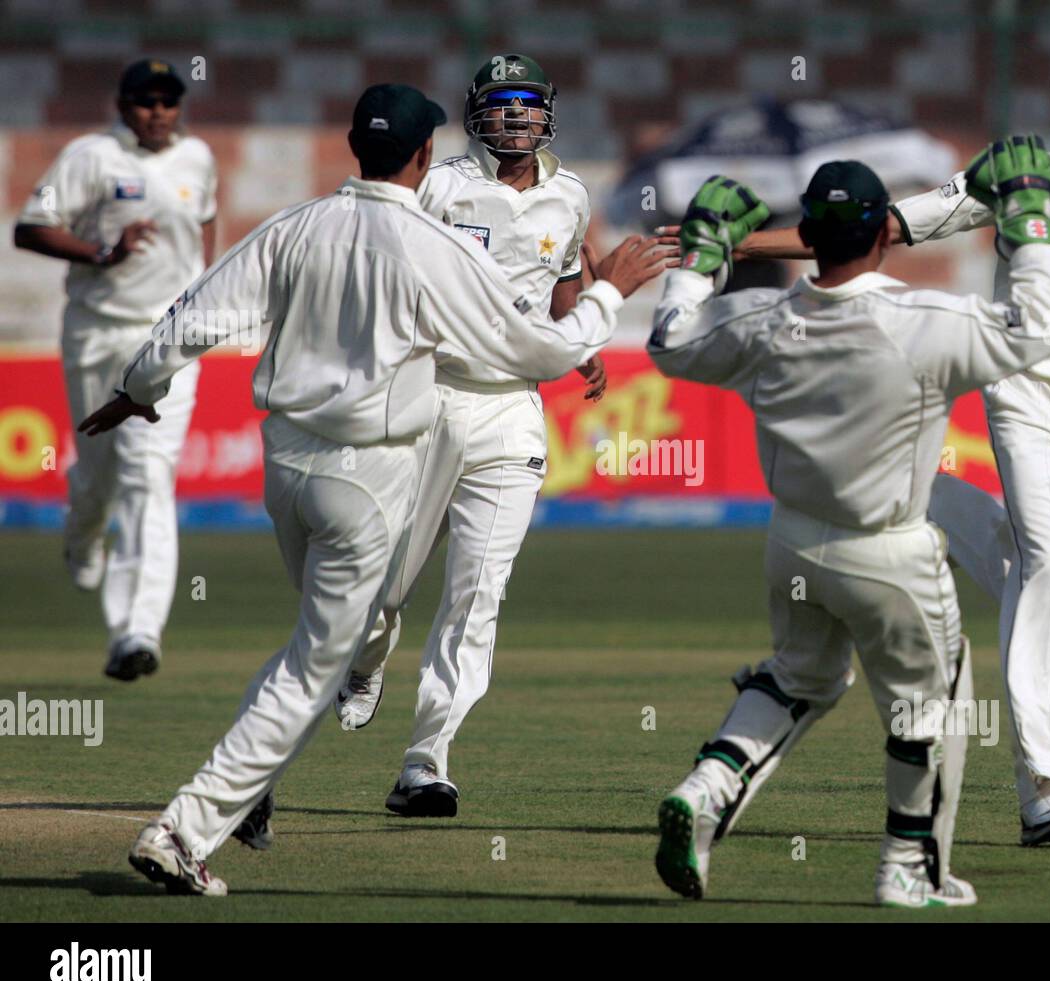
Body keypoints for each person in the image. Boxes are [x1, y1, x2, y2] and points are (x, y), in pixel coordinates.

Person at [77, 83, 669, 895]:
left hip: (286, 467)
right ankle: (187, 825)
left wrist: (139, 387)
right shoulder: (435, 243)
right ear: (427, 158)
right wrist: (609, 298)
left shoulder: (295, 224)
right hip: (374, 468)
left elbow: (191, 318)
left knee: (348, 635)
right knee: (319, 660)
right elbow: (535, 349)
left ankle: (394, 759)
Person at [725, 23, 1050, 846]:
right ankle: (1042, 782)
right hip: (1027, 390)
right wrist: (741, 240)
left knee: (1025, 567)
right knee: (1043, 564)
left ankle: (917, 497)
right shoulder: (1013, 173)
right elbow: (882, 228)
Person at [647, 139, 1050, 906]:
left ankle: (707, 789)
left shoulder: (761, 319)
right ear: (884, 235)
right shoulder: (926, 322)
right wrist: (1029, 217)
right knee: (929, 708)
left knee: (798, 678)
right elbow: (1039, 328)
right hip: (890, 555)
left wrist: (701, 257)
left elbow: (670, 343)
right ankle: (910, 869)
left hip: (793, 544)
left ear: (806, 237)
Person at [333, 54, 617, 821]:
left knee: (478, 595)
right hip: (429, 394)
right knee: (389, 580)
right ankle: (363, 661)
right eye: (501, 104)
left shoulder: (570, 195)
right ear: (475, 114)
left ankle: (425, 763)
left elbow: (564, 276)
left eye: (528, 103)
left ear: (547, 113)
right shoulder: (441, 184)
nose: (516, 117)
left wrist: (579, 339)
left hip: (512, 408)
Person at [14, 59, 217, 681]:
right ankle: (82, 533)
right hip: (98, 334)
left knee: (148, 475)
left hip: (168, 341)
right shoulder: (90, 156)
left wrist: (202, 304)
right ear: (123, 105)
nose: (159, 111)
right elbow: (32, 228)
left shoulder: (198, 158)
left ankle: (136, 631)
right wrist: (104, 252)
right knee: (101, 471)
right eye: (146, 101)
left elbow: (204, 232)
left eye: (168, 100)